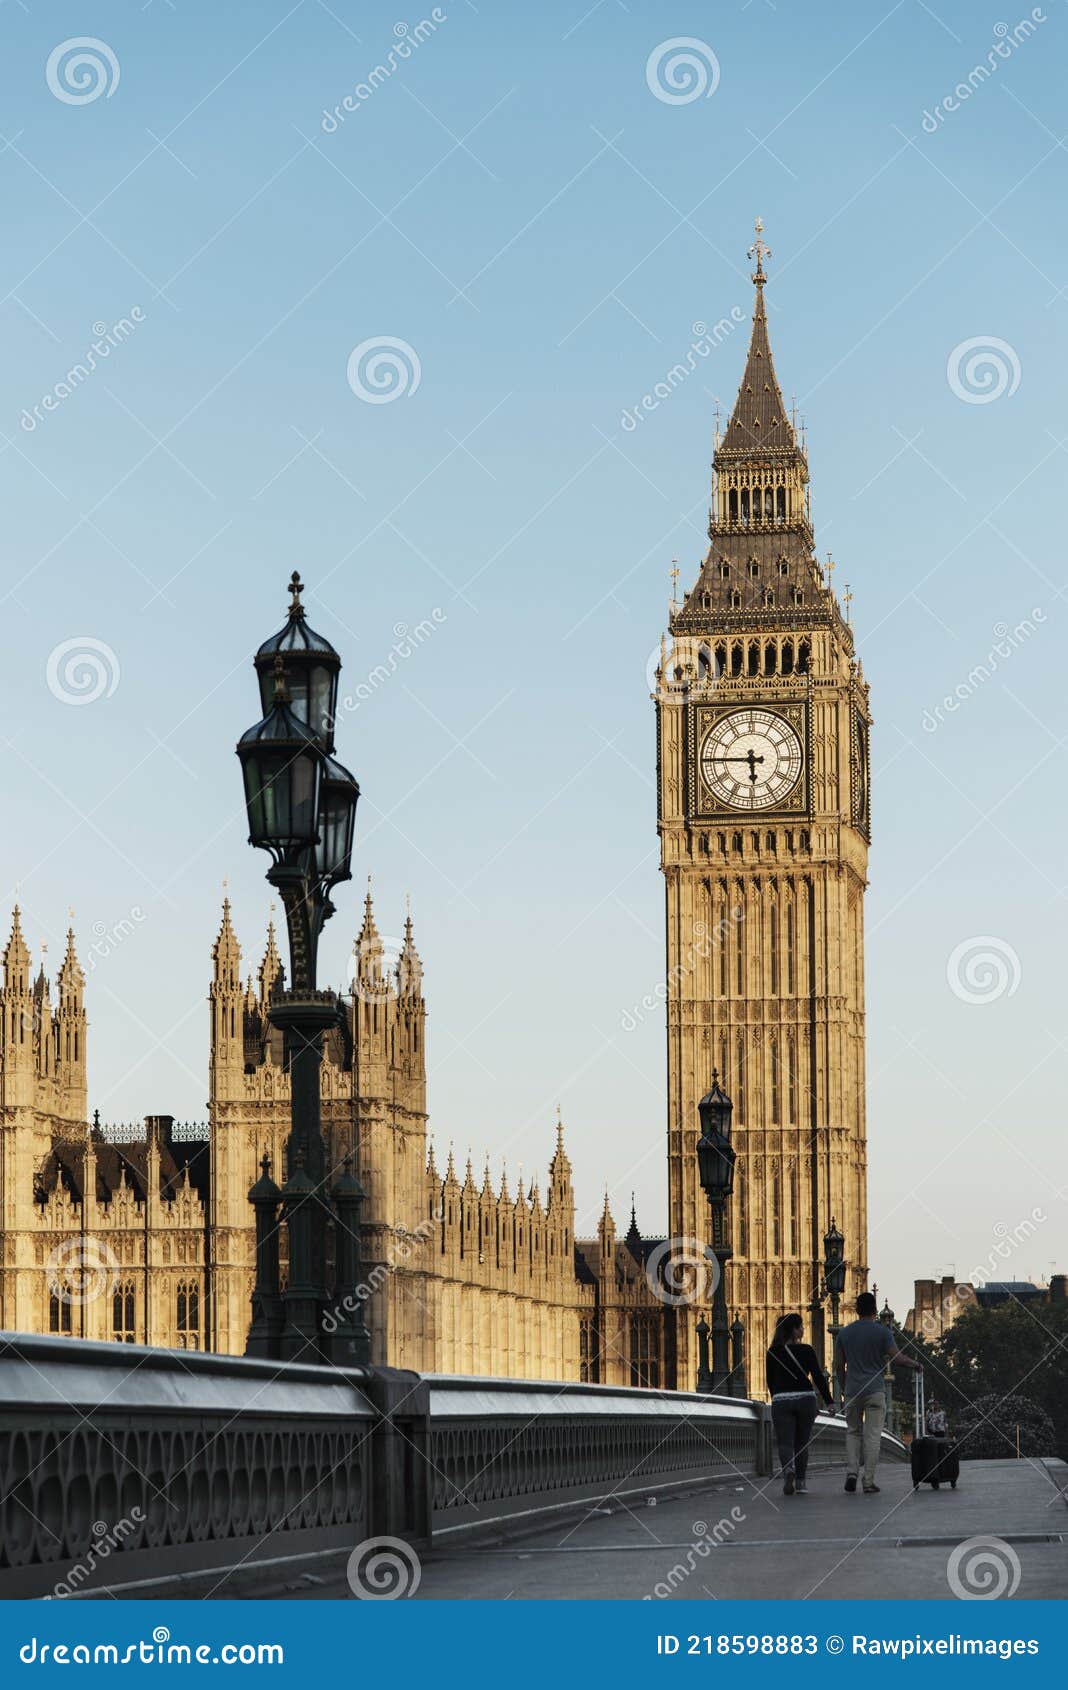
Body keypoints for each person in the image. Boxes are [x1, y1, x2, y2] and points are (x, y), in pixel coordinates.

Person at [835, 1291, 921, 1494]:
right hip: (875, 1390)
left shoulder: (844, 1333)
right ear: (874, 1310)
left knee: (852, 1432)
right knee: (872, 1435)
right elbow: (897, 1358)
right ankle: (868, 1481)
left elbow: (839, 1365)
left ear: (857, 1310)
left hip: (853, 1390)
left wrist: (845, 1386)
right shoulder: (882, 1332)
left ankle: (851, 1472)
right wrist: (914, 1364)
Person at [766, 1312, 833, 1495]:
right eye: (801, 1326)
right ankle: (801, 1483)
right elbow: (818, 1377)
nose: (803, 1329)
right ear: (794, 1331)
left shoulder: (772, 1352)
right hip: (805, 1398)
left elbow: (770, 1381)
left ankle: (788, 1470)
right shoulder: (807, 1350)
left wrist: (777, 1398)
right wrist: (829, 1402)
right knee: (802, 1443)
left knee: (785, 1442)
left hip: (781, 1399)